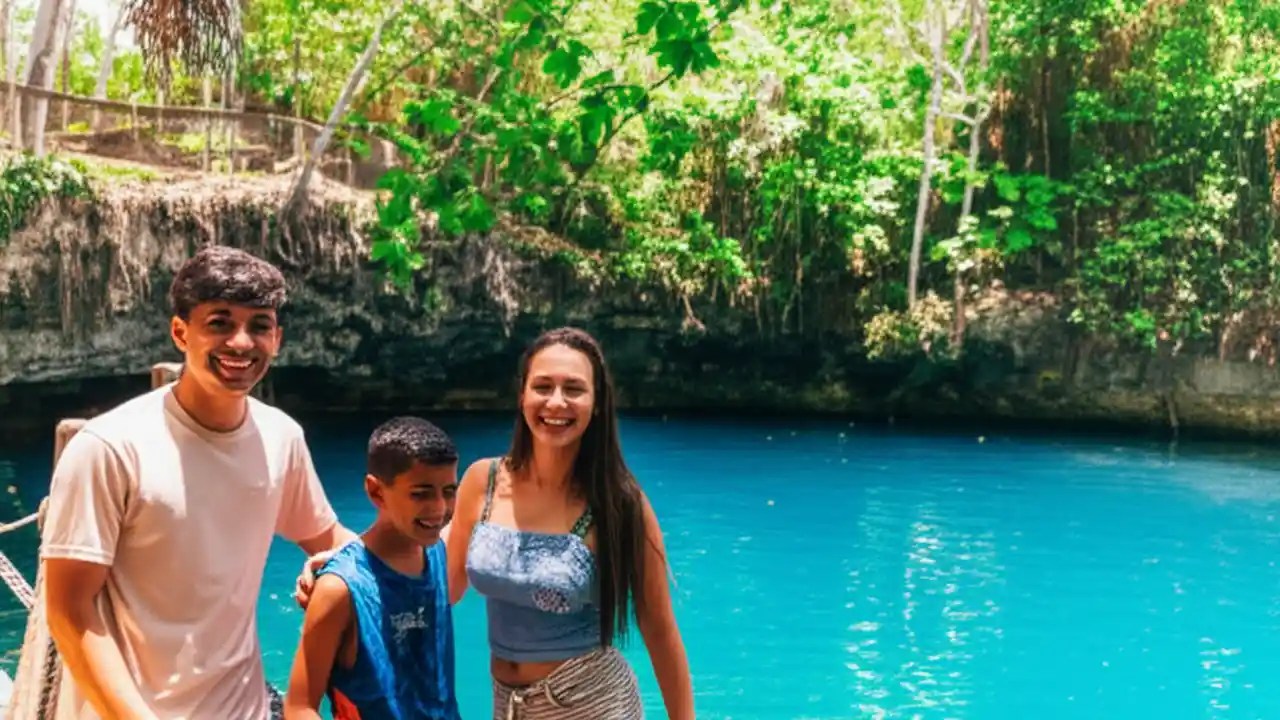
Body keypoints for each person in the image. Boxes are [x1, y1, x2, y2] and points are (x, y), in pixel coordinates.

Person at [40, 245, 358, 720]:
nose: (241, 343)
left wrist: (340, 567)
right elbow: (69, 612)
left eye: (259, 326)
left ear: (278, 338)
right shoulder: (110, 447)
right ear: (180, 333)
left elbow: (329, 538)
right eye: (220, 323)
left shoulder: (280, 438)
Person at [448, 326, 694, 719]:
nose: (556, 402)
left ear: (597, 403)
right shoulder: (483, 482)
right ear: (522, 395)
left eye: (574, 389)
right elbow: (442, 585)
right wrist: (352, 571)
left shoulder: (618, 503)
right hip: (509, 706)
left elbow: (659, 628)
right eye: (542, 386)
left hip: (591, 702)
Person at [283, 416, 462, 720]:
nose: (439, 508)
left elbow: (505, 484)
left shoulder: (440, 554)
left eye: (448, 491)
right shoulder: (340, 589)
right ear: (377, 492)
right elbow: (299, 706)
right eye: (421, 493)